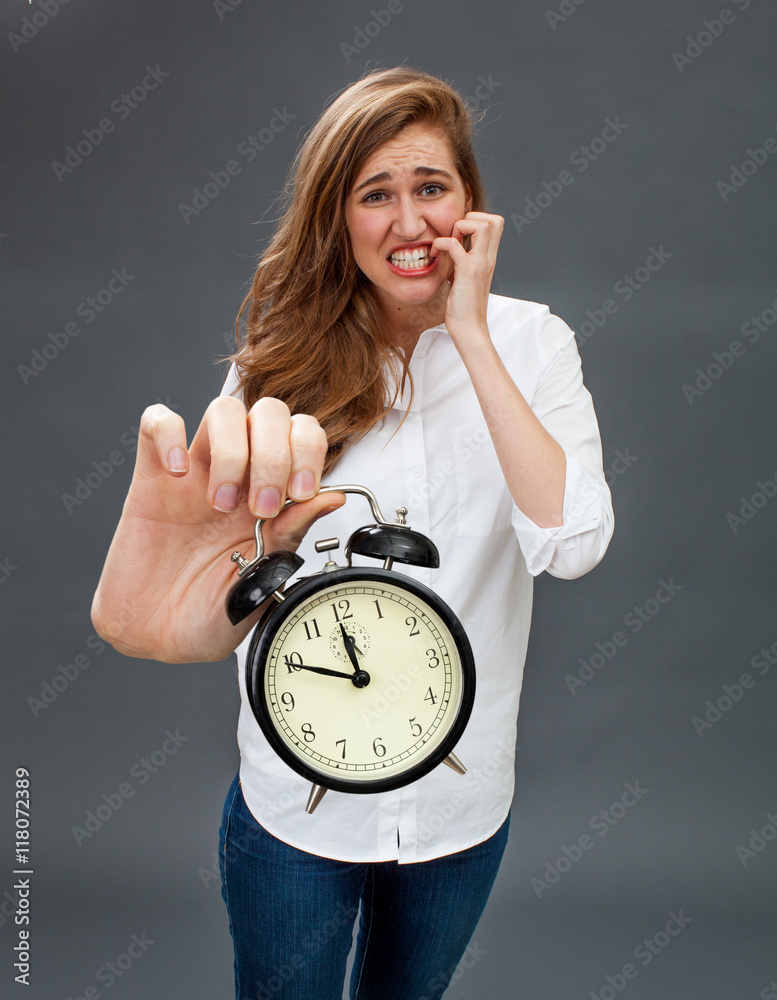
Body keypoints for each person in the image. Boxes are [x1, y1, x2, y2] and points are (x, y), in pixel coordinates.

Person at [92, 67, 614, 1000]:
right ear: (337, 216)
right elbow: (225, 567)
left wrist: (470, 334)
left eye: (430, 187)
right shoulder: (278, 360)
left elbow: (571, 545)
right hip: (297, 805)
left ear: (469, 202)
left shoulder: (534, 345)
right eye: (375, 194)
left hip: (458, 799)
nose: (408, 222)